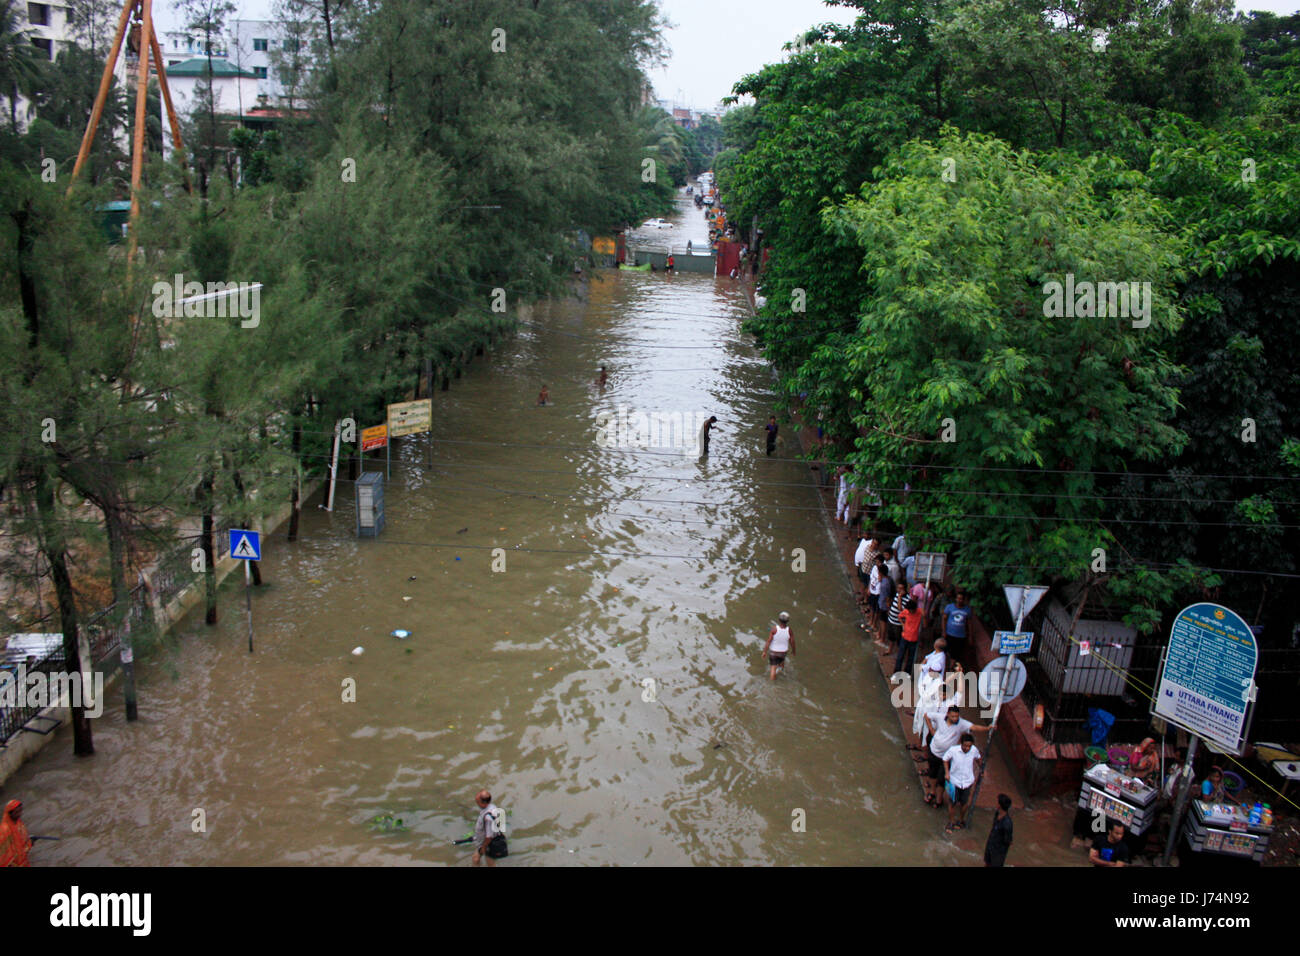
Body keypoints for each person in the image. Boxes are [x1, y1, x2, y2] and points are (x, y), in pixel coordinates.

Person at [925, 703, 990, 808]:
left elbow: (974, 727)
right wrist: (931, 730)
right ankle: (932, 792)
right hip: (934, 751)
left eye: (957, 716)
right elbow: (927, 715)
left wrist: (987, 728)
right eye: (953, 716)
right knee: (932, 774)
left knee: (942, 779)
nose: (955, 718)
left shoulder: (962, 724)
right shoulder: (940, 717)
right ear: (948, 714)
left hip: (947, 756)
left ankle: (939, 799)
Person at [944, 733, 982, 833]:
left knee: (964, 803)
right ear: (961, 744)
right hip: (954, 781)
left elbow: (978, 758)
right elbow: (945, 759)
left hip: (967, 782)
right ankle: (951, 822)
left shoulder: (974, 750)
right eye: (965, 746)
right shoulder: (953, 750)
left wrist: (981, 769)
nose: (967, 748)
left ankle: (961, 820)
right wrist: (947, 773)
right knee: (952, 802)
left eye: (969, 746)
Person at [472, 790, 508, 866]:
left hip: (488, 844)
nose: (476, 802)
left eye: (477, 801)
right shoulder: (493, 807)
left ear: (484, 803)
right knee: (476, 859)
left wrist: (483, 847)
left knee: (490, 863)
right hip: (484, 841)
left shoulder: (488, 818)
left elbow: (489, 836)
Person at [894, 595, 923, 679]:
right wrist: (903, 624)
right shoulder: (906, 611)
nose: (909, 612)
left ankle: (907, 673)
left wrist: (924, 616)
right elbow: (899, 616)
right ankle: (897, 674)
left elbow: (925, 624)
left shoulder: (920, 612)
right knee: (900, 656)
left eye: (911, 610)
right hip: (905, 637)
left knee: (911, 657)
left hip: (914, 639)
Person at [942, 590, 972, 667]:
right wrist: (944, 631)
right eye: (958, 598)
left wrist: (970, 636)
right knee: (948, 650)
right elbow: (944, 619)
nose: (959, 600)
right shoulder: (949, 607)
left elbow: (969, 623)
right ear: (955, 599)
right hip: (950, 633)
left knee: (957, 653)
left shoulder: (967, 610)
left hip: (961, 635)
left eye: (961, 599)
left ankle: (952, 666)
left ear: (964, 600)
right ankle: (949, 665)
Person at [762, 611, 796, 680]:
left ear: (779, 620)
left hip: (773, 653)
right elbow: (792, 642)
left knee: (773, 669)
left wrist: (764, 652)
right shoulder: (789, 630)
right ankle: (781, 673)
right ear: (788, 621)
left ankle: (772, 683)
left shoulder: (774, 629)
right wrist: (794, 650)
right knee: (781, 663)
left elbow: (768, 641)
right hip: (783, 653)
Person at [0, 799, 32, 867]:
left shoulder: (19, 823)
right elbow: (3, 853)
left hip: (23, 861)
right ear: (10, 813)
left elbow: (24, 840)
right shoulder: (4, 829)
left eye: (20, 811)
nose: (19, 814)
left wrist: (30, 842)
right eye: (17, 812)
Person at [985, 794, 1014, 866]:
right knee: (987, 863)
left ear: (999, 805)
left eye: (997, 802)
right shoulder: (997, 814)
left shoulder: (1007, 823)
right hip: (990, 846)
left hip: (998, 852)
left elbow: (1008, 841)